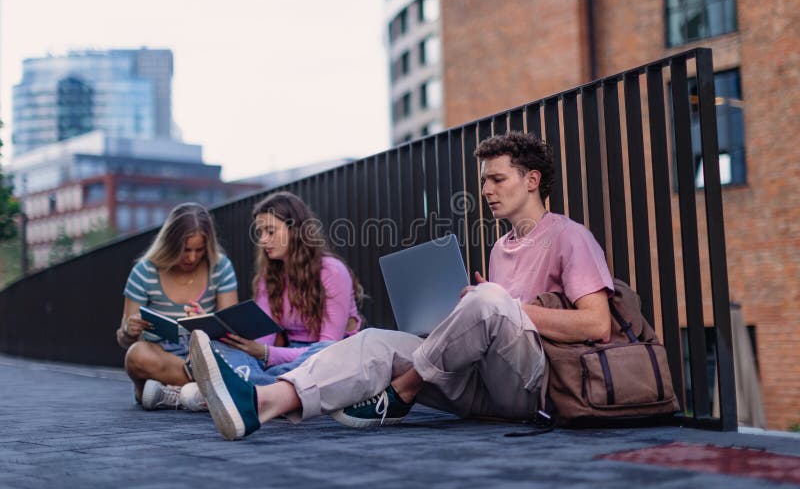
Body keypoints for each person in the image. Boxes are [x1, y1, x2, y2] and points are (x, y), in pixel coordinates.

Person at [190, 132, 615, 440]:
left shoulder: (568, 236)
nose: (485, 189)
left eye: (497, 179)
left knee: (489, 298)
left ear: (532, 180)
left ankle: (402, 391)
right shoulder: (501, 247)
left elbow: (597, 326)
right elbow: (494, 320)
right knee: (374, 341)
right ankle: (263, 403)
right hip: (481, 385)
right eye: (483, 180)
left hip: (532, 389)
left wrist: (502, 305)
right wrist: (466, 314)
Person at [207, 191, 363, 387]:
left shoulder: (331, 271)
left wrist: (265, 353)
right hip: (284, 360)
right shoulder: (269, 277)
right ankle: (260, 387)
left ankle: (245, 387)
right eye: (260, 232)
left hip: (328, 357)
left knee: (312, 362)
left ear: (295, 230)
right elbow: (264, 338)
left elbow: (328, 348)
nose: (262, 240)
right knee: (219, 347)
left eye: (270, 232)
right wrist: (227, 336)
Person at [117, 202, 238, 410]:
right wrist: (129, 329)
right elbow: (124, 339)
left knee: (229, 356)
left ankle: (173, 394)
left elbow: (231, 330)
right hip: (162, 357)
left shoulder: (220, 266)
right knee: (136, 355)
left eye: (199, 250)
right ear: (170, 245)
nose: (192, 258)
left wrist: (205, 322)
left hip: (203, 353)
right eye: (185, 250)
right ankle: (208, 391)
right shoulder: (144, 272)